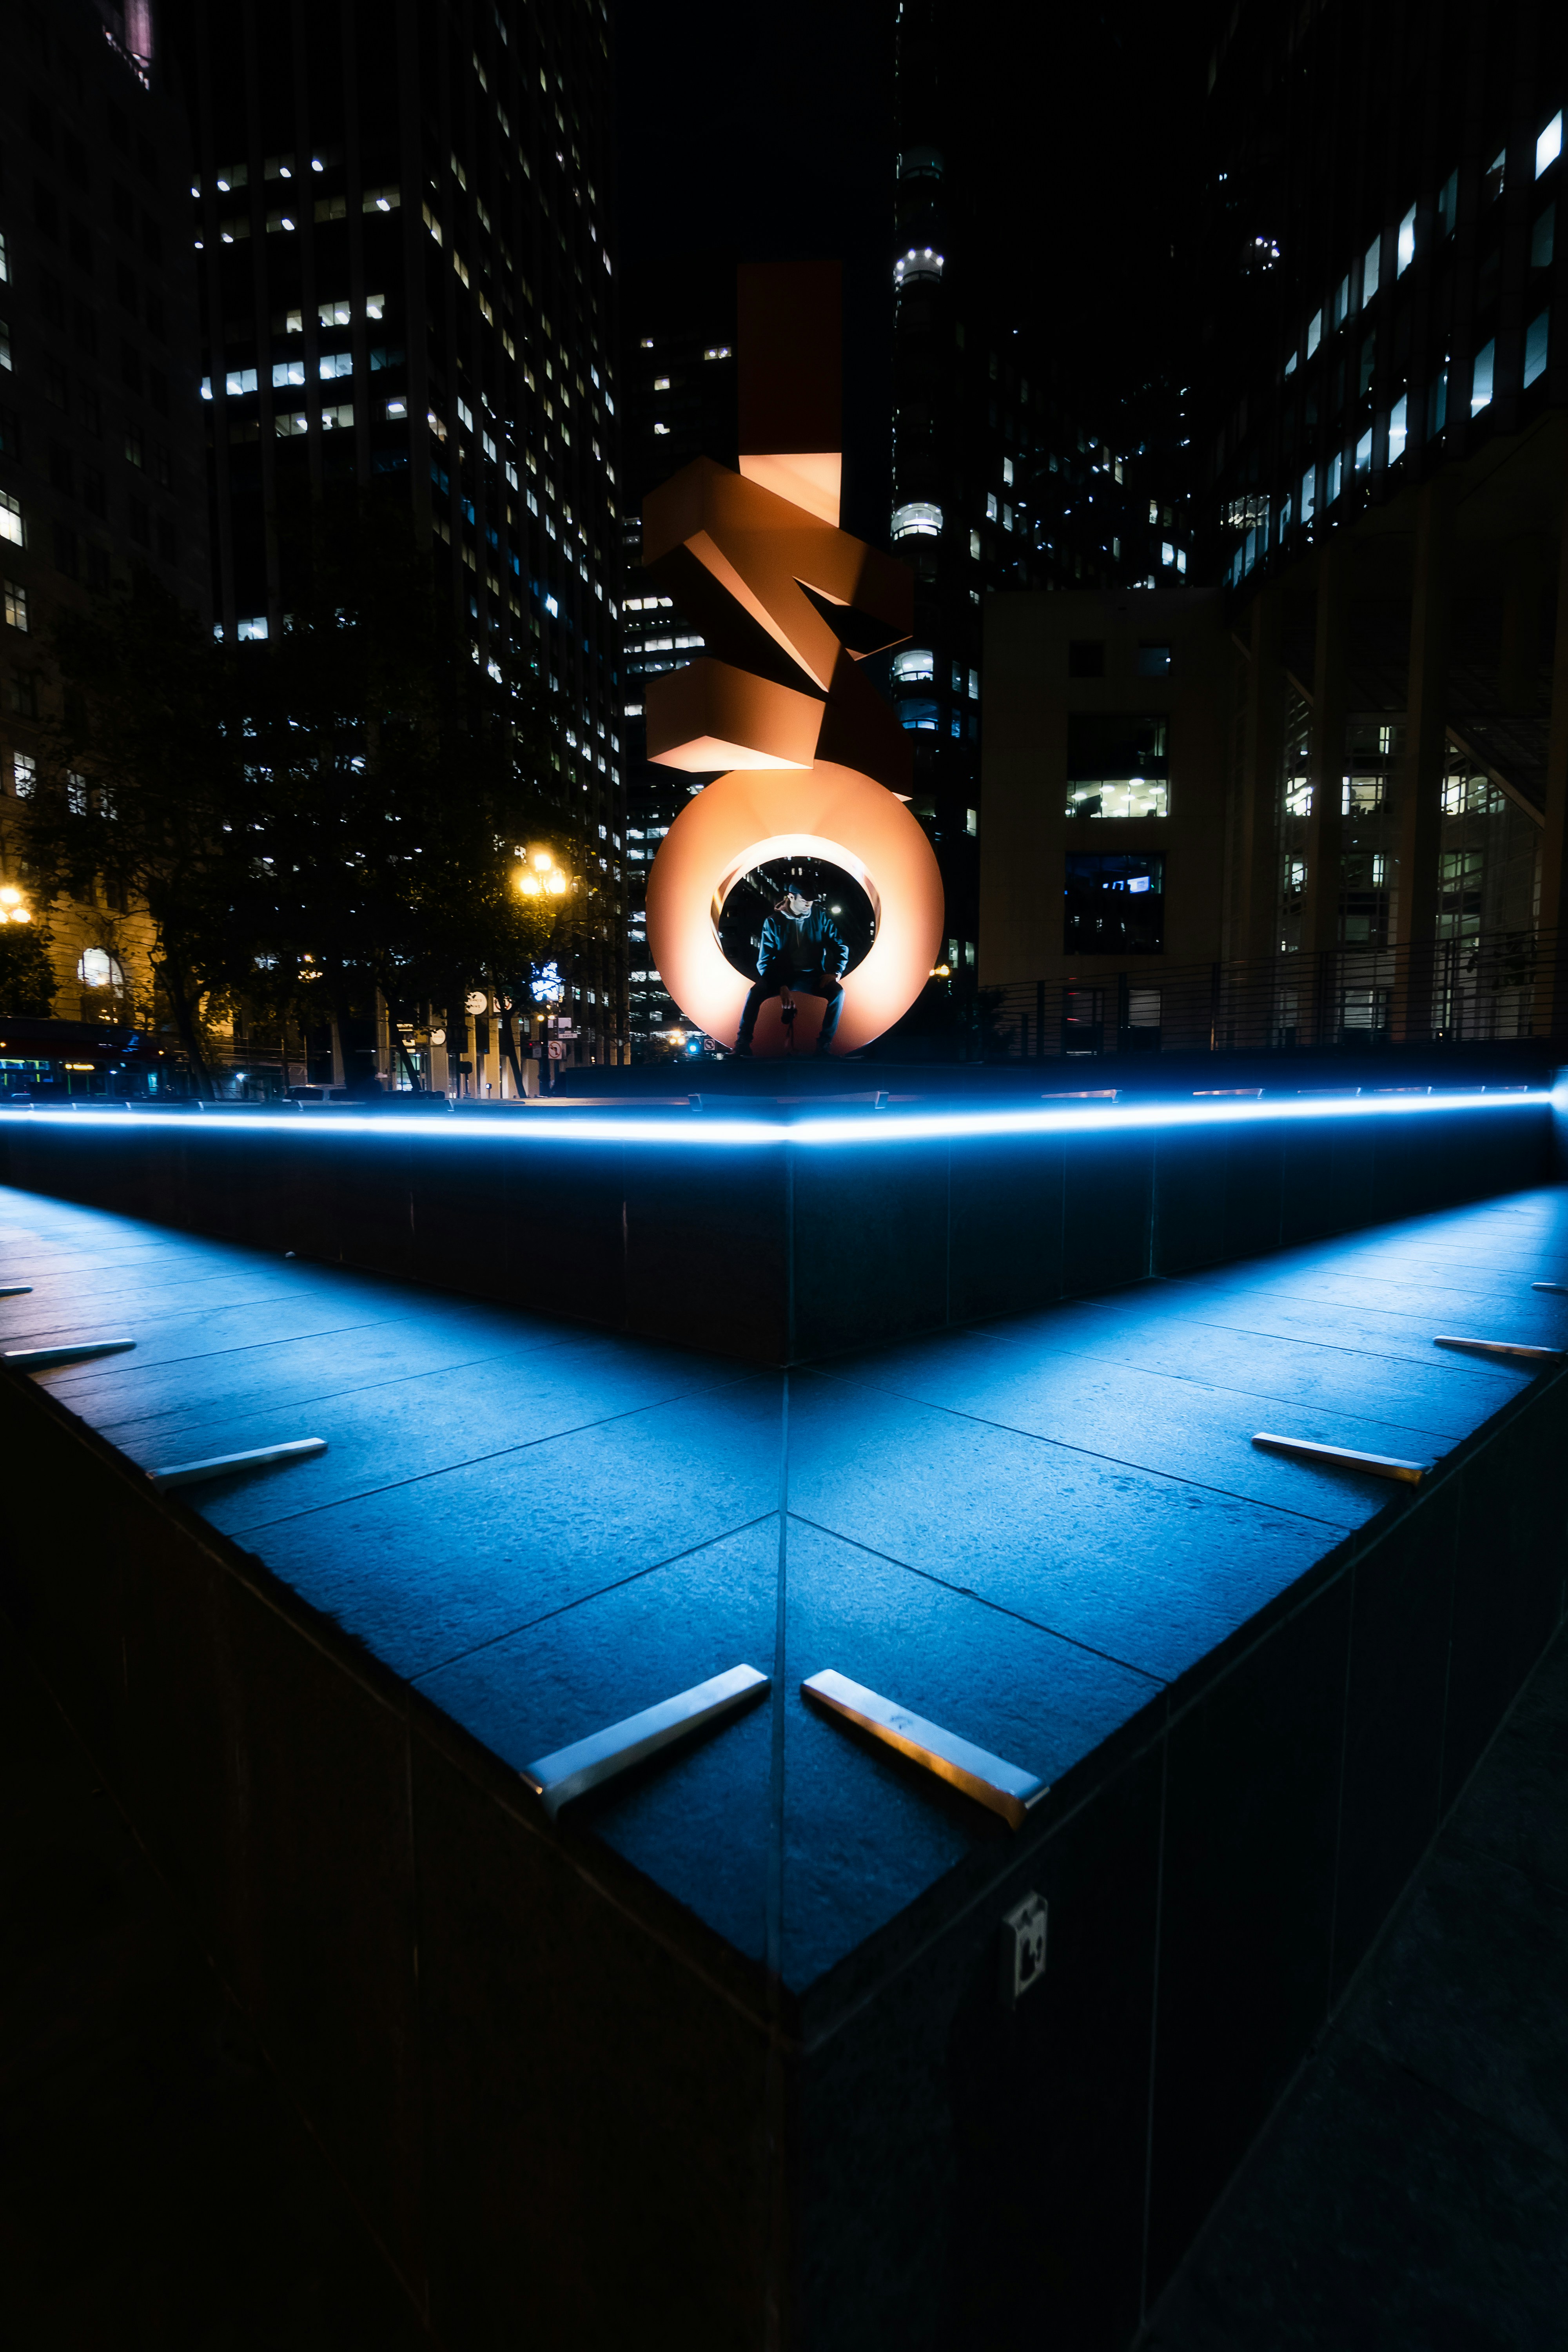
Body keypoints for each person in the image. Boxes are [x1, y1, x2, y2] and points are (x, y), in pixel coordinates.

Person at [734, 887, 849, 1056]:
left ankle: (824, 1045)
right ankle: (743, 1043)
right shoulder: (773, 922)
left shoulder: (820, 917)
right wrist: (781, 986)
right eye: (804, 901)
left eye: (811, 902)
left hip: (812, 975)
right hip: (780, 976)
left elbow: (840, 945)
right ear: (791, 897)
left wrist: (836, 973)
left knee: (838, 993)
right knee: (754, 993)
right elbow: (764, 962)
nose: (808, 906)